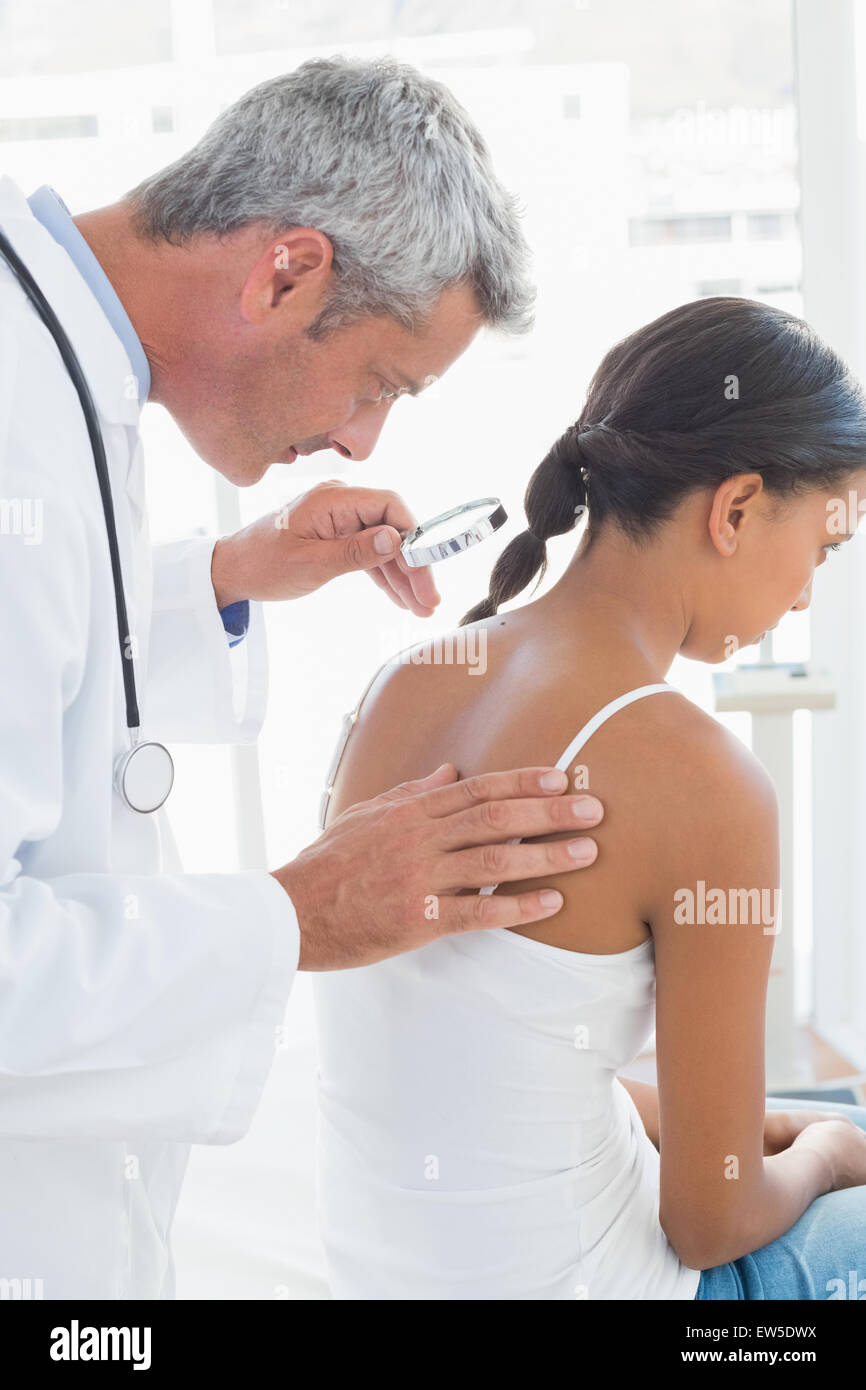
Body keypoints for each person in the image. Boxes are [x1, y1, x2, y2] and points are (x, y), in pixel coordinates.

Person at [0, 57, 604, 1300]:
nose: (360, 440)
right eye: (380, 383)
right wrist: (294, 915)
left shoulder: (68, 371)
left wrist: (226, 575)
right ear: (287, 271)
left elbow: (51, 660)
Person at [313, 295, 866, 1300]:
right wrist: (825, 1151)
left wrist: (774, 1126)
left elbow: (487, 1054)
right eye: (822, 547)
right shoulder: (700, 781)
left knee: (815, 1111)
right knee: (843, 1133)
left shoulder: (399, 684)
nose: (803, 596)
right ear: (734, 508)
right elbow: (710, 1222)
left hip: (386, 1270)